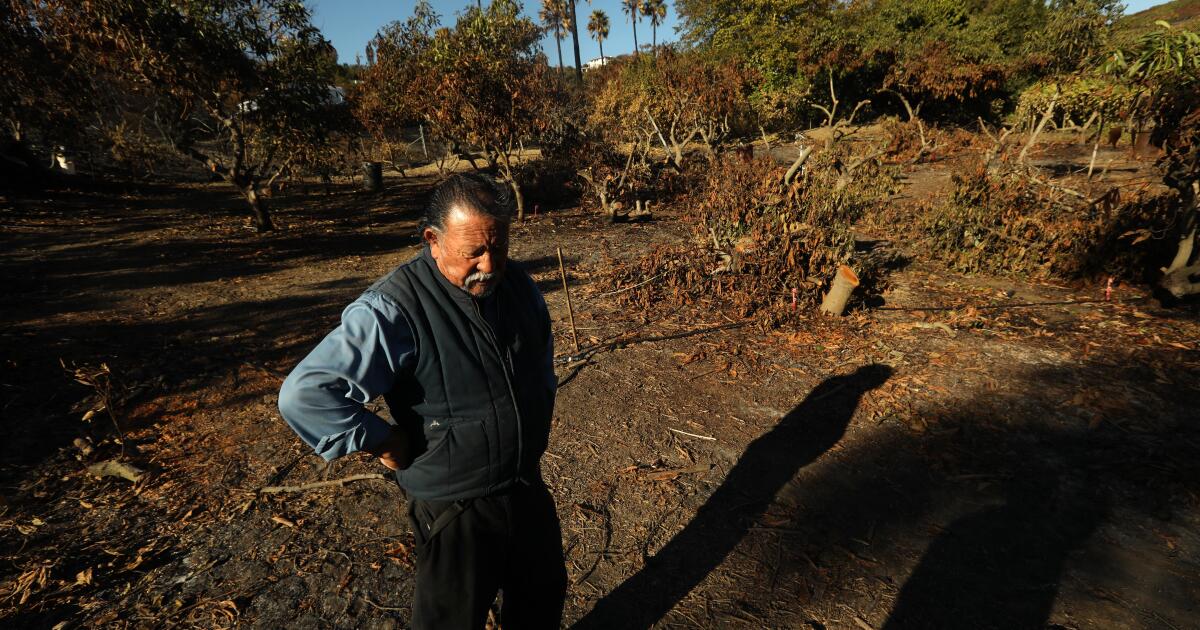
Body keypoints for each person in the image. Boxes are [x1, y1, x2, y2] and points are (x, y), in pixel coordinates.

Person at [278, 173, 566, 629]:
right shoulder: (394, 309)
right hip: (456, 507)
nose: (490, 265)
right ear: (433, 239)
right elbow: (306, 394)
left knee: (541, 600)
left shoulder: (519, 287)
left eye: (499, 246)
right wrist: (385, 441)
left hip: (525, 484)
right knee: (451, 620)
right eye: (473, 252)